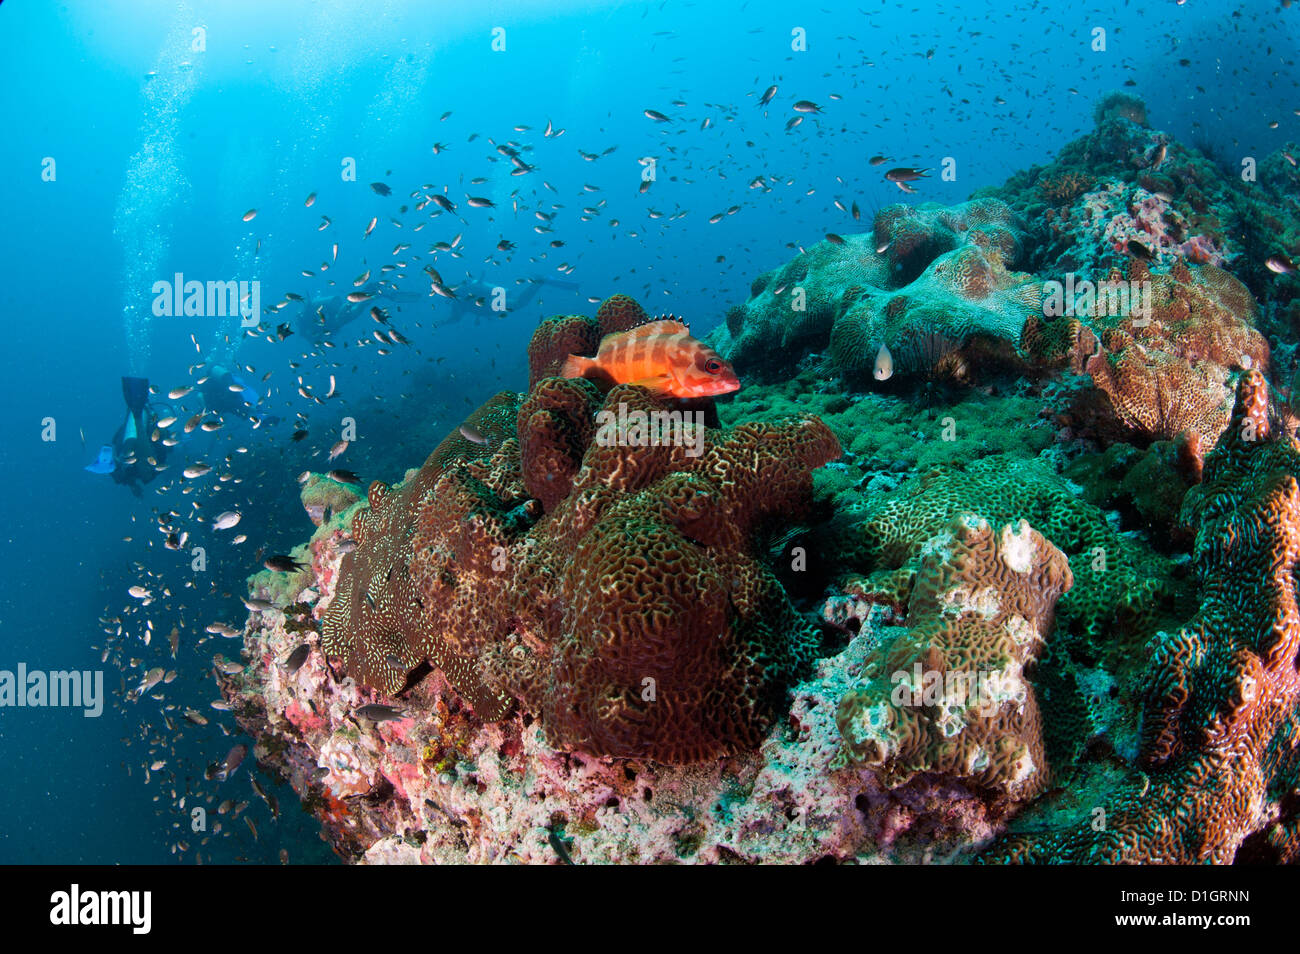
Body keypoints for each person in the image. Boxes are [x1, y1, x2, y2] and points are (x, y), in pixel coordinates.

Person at [85, 376, 169, 496]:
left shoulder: (130, 424)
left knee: (135, 465)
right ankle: (136, 415)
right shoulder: (150, 420)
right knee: (147, 472)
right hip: (139, 455)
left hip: (129, 453)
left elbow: (119, 440)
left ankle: (109, 461)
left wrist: (131, 483)